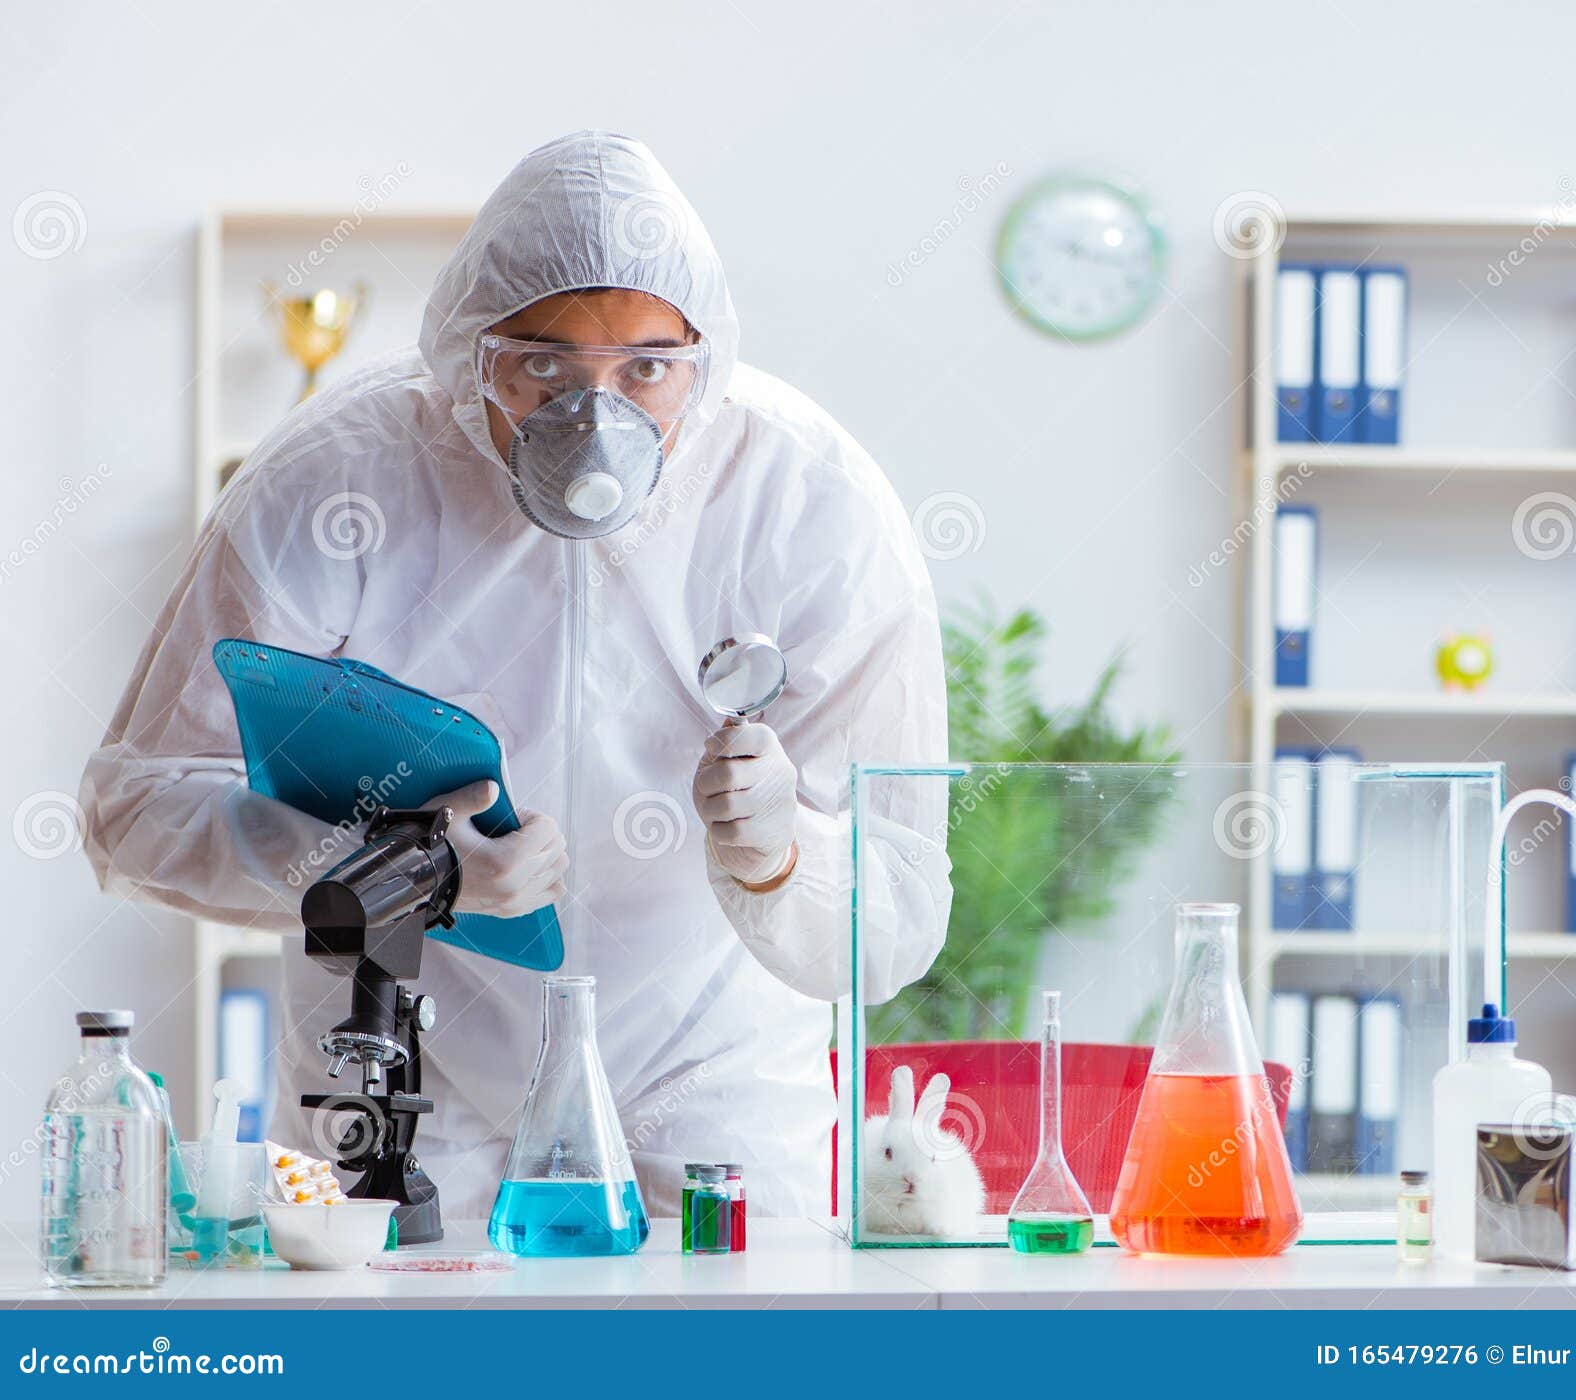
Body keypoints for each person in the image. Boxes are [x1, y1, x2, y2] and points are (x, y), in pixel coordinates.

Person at [79, 131, 950, 1219]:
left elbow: (897, 914)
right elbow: (138, 805)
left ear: (705, 358)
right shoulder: (338, 475)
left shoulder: (808, 499)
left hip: (716, 1077)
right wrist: (401, 869)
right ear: (467, 350)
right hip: (409, 1067)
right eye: (543, 365)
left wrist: (784, 857)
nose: (597, 421)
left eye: (647, 369)